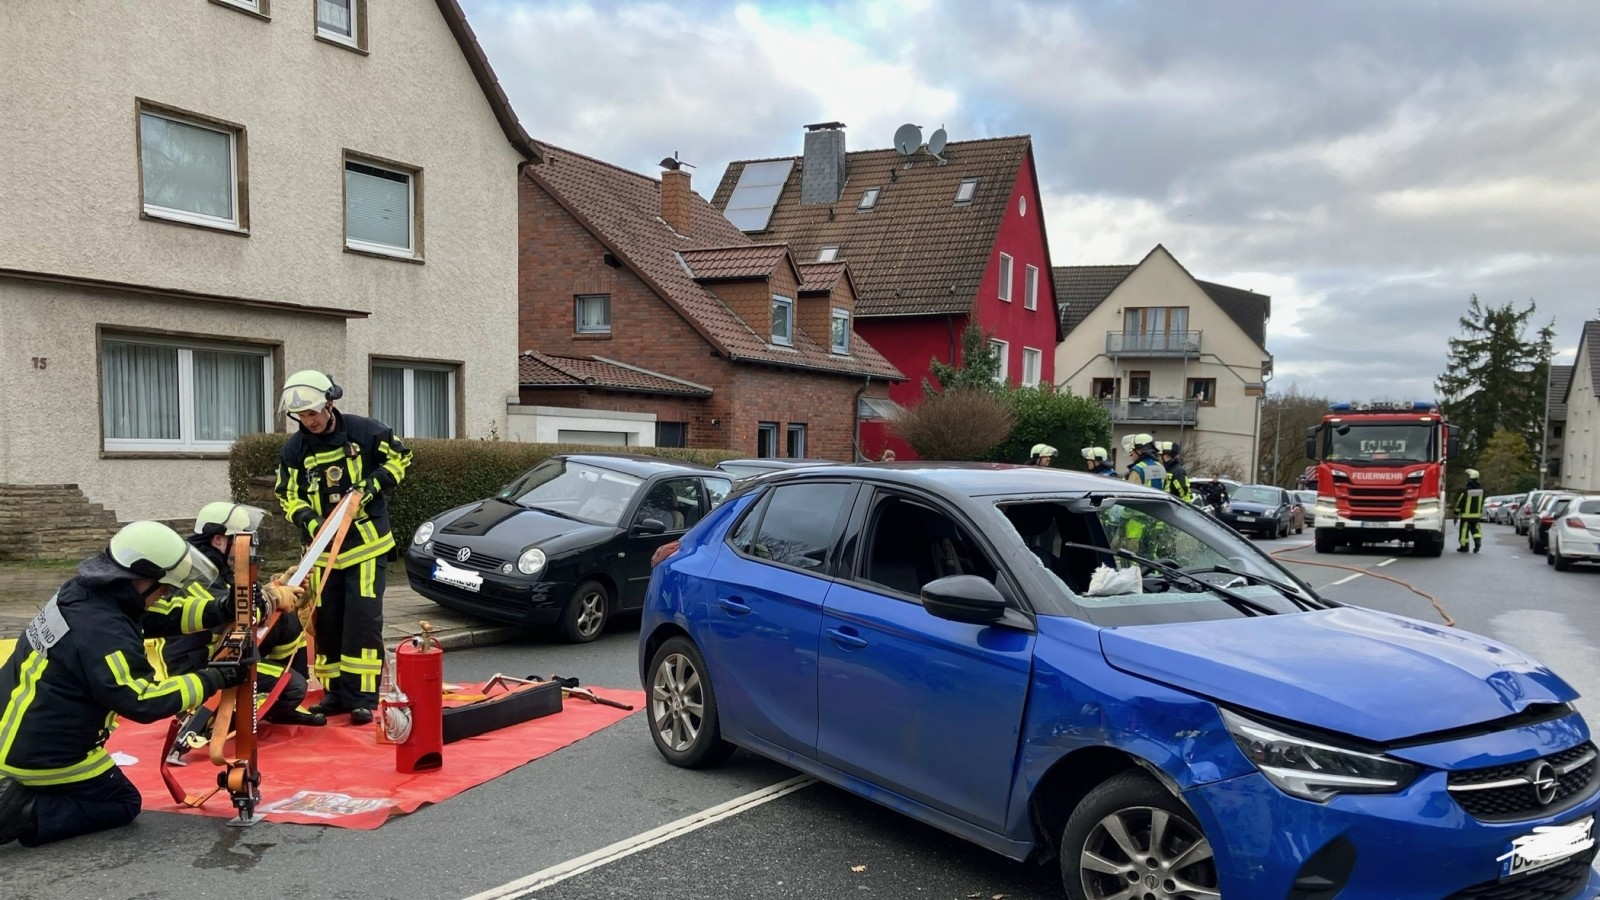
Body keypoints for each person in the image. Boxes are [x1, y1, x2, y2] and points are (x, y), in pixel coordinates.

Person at [0, 522, 235, 847]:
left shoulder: (86, 594)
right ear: (144, 579)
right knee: (120, 802)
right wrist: (215, 677)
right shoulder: (102, 629)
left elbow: (155, 617)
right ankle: (23, 809)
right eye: (165, 587)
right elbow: (142, 700)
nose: (166, 595)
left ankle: (20, 792)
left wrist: (220, 609)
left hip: (16, 730)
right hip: (43, 754)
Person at [275, 370, 413, 726]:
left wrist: (370, 488)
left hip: (366, 546)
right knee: (329, 623)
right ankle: (335, 695)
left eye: (314, 413)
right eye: (303, 416)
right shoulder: (294, 449)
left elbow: (400, 458)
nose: (310, 421)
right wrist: (310, 522)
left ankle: (363, 699)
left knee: (362, 622)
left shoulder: (365, 431)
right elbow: (287, 495)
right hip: (323, 552)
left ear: (329, 403)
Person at [143, 502, 324, 728]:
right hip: (198, 665)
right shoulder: (195, 573)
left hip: (220, 650)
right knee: (293, 687)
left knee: (286, 621)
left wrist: (280, 585)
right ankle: (210, 715)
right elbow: (233, 612)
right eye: (240, 540)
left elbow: (242, 598)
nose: (246, 548)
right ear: (219, 539)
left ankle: (282, 702)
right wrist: (277, 597)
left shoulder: (216, 564)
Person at [1455, 468, 1485, 553]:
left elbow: (1460, 502)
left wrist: (1456, 512)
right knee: (1476, 530)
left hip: (1466, 516)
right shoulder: (1481, 491)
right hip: (1476, 516)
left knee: (1464, 531)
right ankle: (1477, 542)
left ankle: (1464, 546)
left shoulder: (1466, 491)